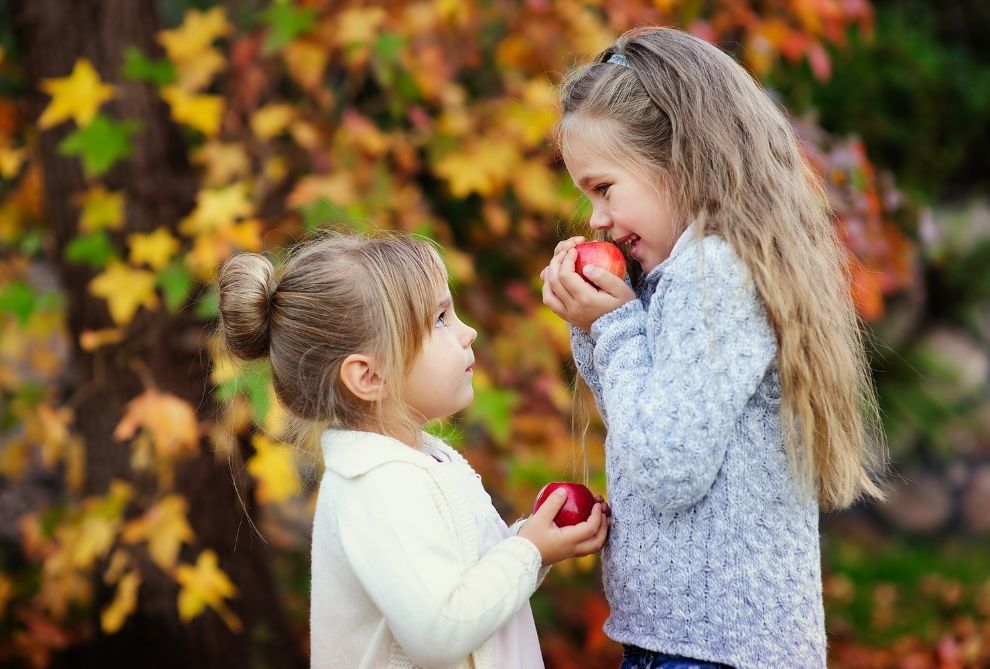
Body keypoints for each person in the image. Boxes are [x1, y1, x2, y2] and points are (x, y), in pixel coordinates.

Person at [541, 27, 886, 669]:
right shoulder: (685, 269)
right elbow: (638, 411)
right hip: (689, 642)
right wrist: (592, 320)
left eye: (604, 188)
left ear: (680, 160)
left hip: (716, 651)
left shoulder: (716, 273)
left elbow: (668, 467)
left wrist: (612, 325)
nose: (594, 219)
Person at [216, 232, 609, 669]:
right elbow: (439, 631)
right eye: (440, 319)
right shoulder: (376, 487)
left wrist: (534, 545)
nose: (468, 332)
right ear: (369, 376)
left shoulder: (421, 460)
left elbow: (469, 589)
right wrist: (528, 551)